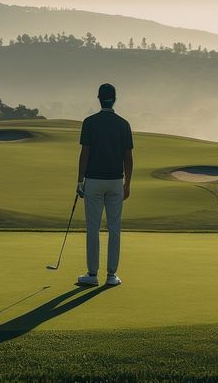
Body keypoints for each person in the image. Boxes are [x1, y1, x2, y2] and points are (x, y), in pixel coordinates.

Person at [75, 83, 133, 287]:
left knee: (93, 228)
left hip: (93, 181)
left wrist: (80, 180)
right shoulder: (123, 124)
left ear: (98, 98)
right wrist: (127, 183)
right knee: (114, 228)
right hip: (116, 181)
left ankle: (92, 274)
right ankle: (111, 276)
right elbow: (128, 157)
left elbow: (85, 153)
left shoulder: (89, 122)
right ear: (115, 99)